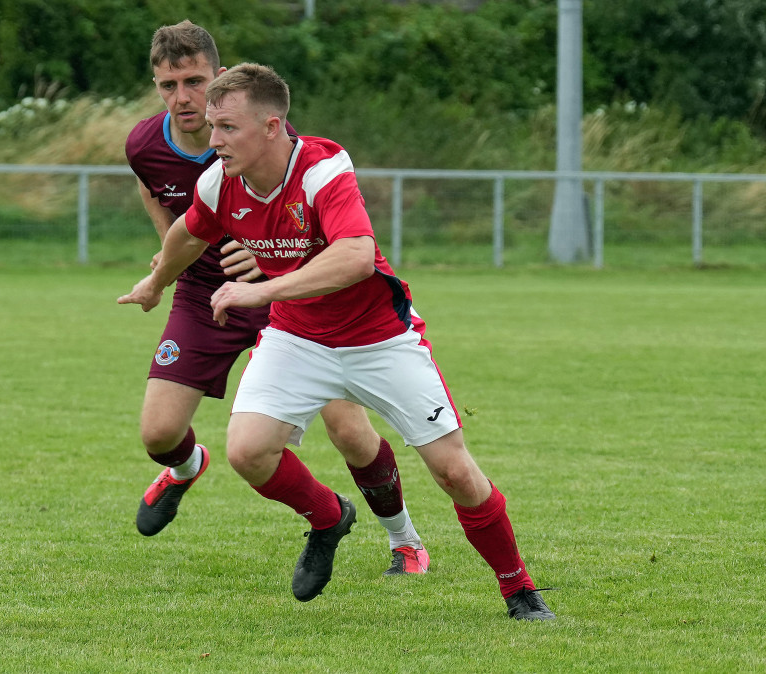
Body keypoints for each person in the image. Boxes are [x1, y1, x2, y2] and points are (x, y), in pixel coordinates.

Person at [118, 62, 556, 620]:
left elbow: (355, 257)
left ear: (272, 127)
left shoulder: (322, 169)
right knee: (247, 452)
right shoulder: (219, 182)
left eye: (227, 127)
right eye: (212, 126)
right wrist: (156, 282)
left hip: (379, 337)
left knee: (454, 472)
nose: (214, 140)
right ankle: (329, 518)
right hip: (297, 337)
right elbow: (187, 232)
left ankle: (519, 589)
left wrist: (261, 290)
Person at [124, 21, 430, 577]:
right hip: (205, 296)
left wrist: (265, 257)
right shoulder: (144, 144)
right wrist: (164, 268)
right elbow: (157, 194)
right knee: (158, 433)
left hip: (289, 296)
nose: (183, 98)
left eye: (195, 82)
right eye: (169, 86)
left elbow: (314, 222)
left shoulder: (266, 135)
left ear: (219, 78)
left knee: (349, 431)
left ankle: (403, 539)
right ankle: (187, 468)